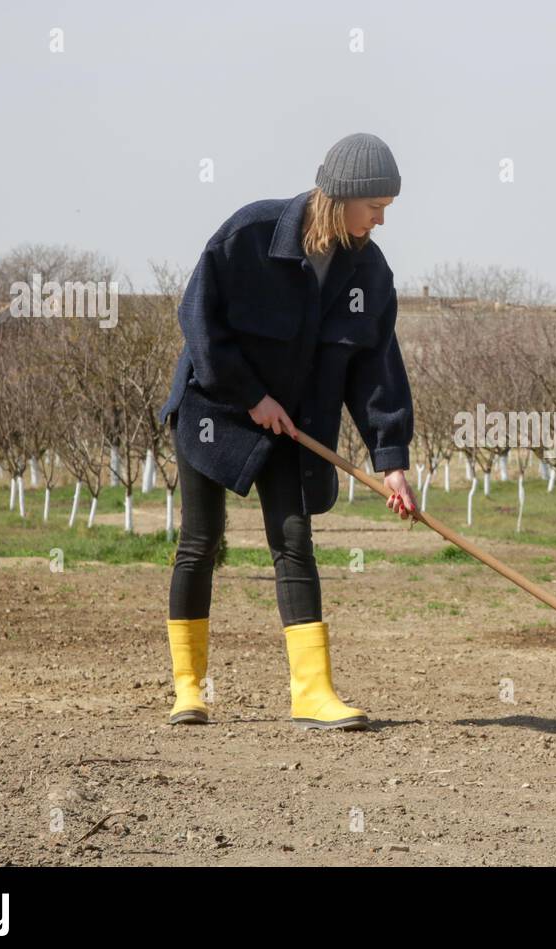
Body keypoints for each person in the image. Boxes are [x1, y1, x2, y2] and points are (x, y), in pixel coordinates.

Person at [156, 132, 417, 731]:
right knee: (201, 541)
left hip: (290, 425)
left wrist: (391, 460)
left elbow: (376, 370)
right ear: (343, 196)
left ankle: (313, 693)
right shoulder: (249, 234)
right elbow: (197, 318)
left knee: (293, 541)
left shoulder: (368, 274)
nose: (380, 220)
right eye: (374, 206)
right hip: (213, 406)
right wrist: (251, 396)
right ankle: (189, 691)